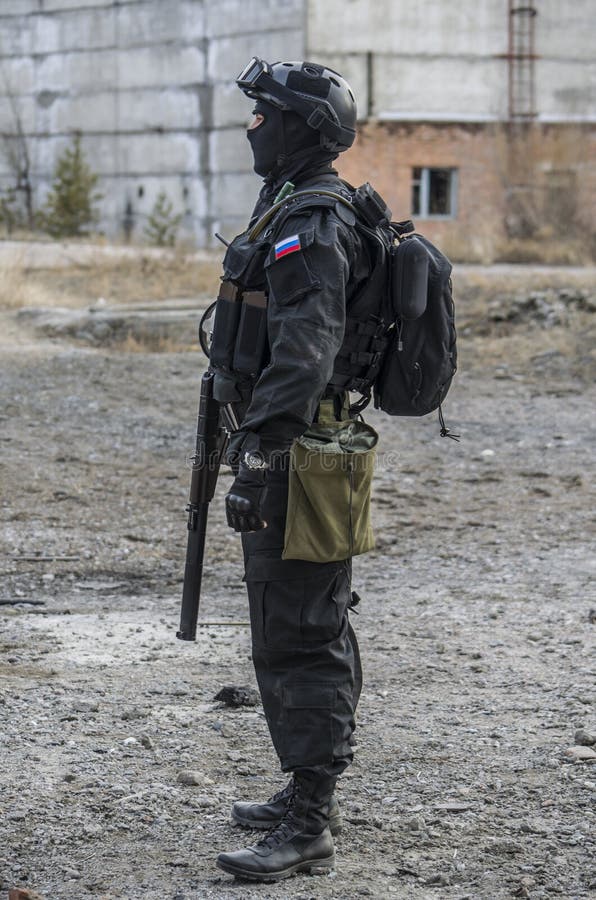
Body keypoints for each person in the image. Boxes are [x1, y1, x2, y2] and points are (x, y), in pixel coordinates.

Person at [213, 57, 376, 882]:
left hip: (301, 457)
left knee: (302, 630)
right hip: (297, 449)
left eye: (263, 114)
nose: (251, 126)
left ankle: (310, 819)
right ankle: (303, 792)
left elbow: (306, 353)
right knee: (291, 623)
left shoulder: (310, 222)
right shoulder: (295, 203)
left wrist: (262, 447)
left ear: (300, 129)